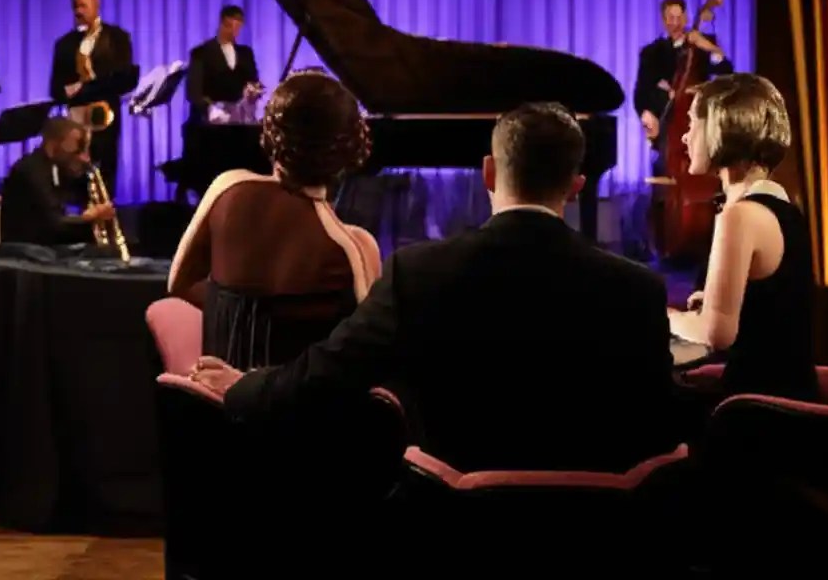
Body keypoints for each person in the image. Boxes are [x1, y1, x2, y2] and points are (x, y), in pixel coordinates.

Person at [192, 102, 679, 473]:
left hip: (452, 529)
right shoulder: (637, 289)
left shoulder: (417, 273)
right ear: (576, 185)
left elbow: (326, 371)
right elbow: (658, 423)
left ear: (488, 171)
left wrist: (243, 387)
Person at [168, 70, 381, 368]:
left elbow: (178, 284)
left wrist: (241, 320)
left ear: (269, 132)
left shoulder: (225, 189)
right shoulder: (353, 248)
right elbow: (366, 360)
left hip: (215, 404)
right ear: (349, 148)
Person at [666, 74, 818, 401]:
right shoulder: (786, 210)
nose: (684, 136)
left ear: (723, 127)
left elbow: (716, 334)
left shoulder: (739, 216)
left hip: (754, 416)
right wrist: (715, 303)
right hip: (790, 401)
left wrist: (667, 317)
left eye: (693, 123)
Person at [49, 0, 136, 197]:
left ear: (97, 3)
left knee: (104, 178)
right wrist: (66, 91)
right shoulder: (64, 44)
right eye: (75, 7)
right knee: (75, 180)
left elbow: (124, 79)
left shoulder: (117, 38)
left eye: (83, 6)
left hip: (104, 119)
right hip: (75, 122)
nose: (78, 11)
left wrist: (84, 88)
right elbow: (55, 89)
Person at [634, 0, 734, 175]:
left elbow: (726, 71)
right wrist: (645, 114)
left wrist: (710, 48)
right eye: (670, 18)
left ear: (687, 18)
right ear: (664, 20)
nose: (676, 23)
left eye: (679, 17)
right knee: (664, 169)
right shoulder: (651, 52)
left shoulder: (702, 46)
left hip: (699, 116)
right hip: (666, 122)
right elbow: (641, 90)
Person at [0, 117, 115, 246]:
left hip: (48, 250)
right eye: (77, 152)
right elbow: (54, 225)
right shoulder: (30, 170)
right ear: (53, 145)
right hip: (26, 254)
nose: (85, 158)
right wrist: (89, 218)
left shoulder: (58, 168)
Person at [184, 5, 262, 127]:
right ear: (223, 23)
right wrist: (210, 110)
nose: (235, 32)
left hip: (239, 122)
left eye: (238, 27)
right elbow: (193, 92)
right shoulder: (200, 53)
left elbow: (254, 81)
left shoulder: (246, 53)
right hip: (207, 125)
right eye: (230, 26)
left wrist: (253, 92)